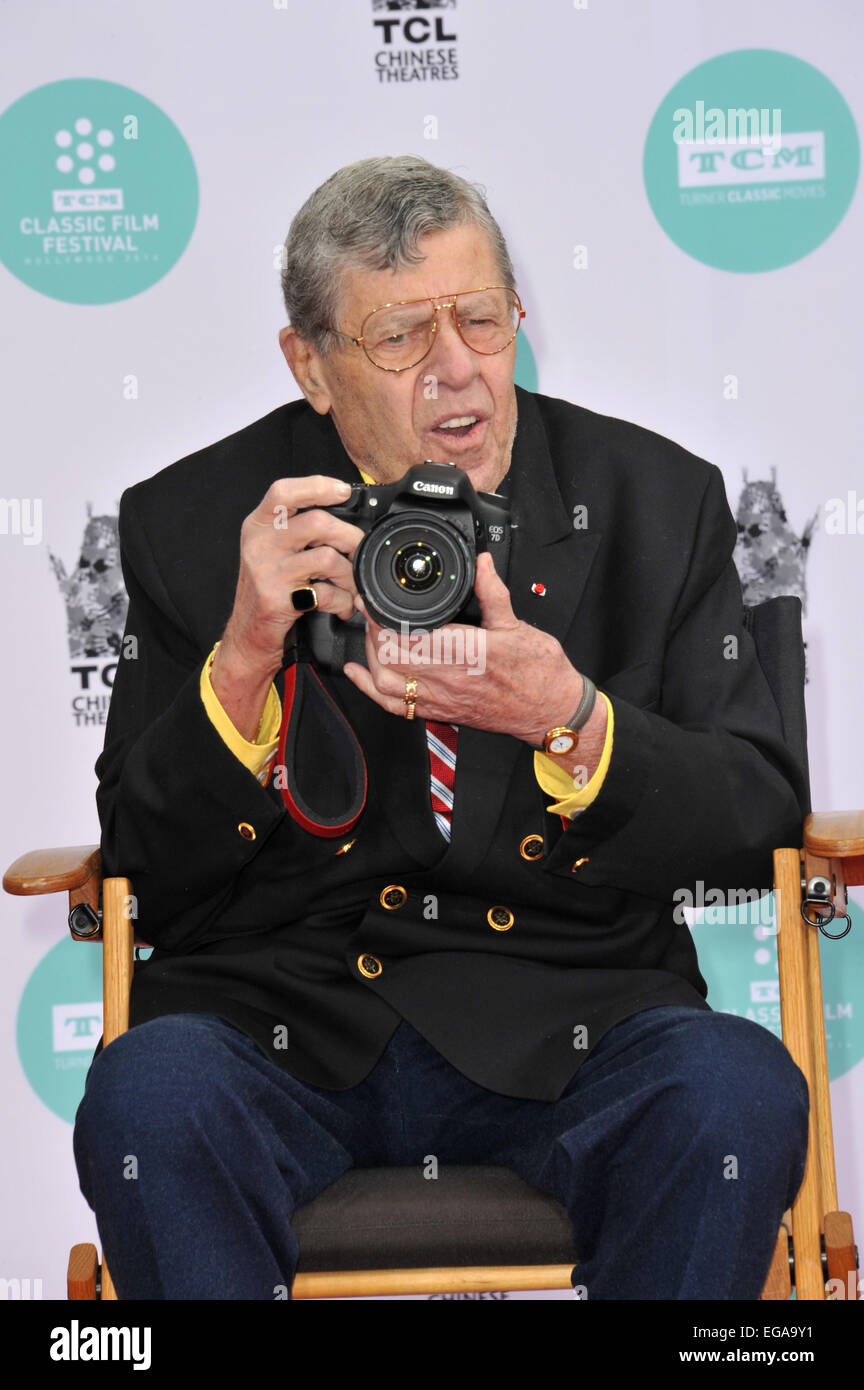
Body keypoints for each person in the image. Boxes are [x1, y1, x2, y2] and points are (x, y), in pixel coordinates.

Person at [73, 154, 809, 1300]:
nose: (458, 371)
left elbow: (753, 807)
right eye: (401, 338)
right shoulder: (199, 522)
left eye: (482, 317)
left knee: (736, 1091)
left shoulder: (654, 500)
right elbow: (148, 869)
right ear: (310, 364)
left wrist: (569, 717)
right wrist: (244, 662)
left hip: (571, 1014)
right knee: (149, 1095)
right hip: (283, 1018)